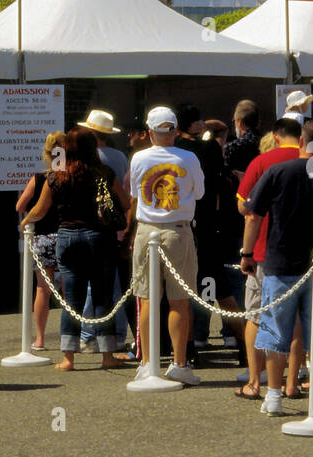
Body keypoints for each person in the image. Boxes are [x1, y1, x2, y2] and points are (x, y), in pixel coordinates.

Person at [241, 118, 313, 417]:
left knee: (276, 332)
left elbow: (253, 215)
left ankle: (274, 396)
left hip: (280, 263)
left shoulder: (278, 171)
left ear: (301, 142)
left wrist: (247, 252)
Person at [20, 127, 126, 371]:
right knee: (102, 298)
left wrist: (26, 222)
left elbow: (40, 209)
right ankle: (107, 356)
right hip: (100, 238)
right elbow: (125, 202)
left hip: (67, 237)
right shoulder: (104, 173)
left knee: (72, 300)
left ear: (67, 149)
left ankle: (68, 358)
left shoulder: (57, 175)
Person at [126, 107, 204, 386]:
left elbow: (135, 193)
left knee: (147, 300)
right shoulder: (189, 157)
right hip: (178, 229)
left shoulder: (138, 158)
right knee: (179, 301)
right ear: (174, 130)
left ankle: (148, 362)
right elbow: (200, 192)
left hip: (147, 230)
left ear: (149, 133)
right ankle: (179, 362)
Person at [235, 118, 305, 398]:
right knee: (297, 318)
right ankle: (291, 382)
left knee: (256, 315)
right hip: (304, 251)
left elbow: (244, 206)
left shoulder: (262, 162)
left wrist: (246, 251)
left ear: (276, 136)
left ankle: (256, 381)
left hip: (264, 250)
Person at [176, 102, 241, 357]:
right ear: (197, 124)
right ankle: (244, 346)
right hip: (209, 225)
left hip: (182, 223)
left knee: (183, 294)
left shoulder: (175, 149)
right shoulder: (209, 148)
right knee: (222, 290)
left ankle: (188, 349)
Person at [75, 109, 130, 352]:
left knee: (91, 283)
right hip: (116, 224)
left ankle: (89, 335)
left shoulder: (89, 157)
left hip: (91, 223)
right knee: (115, 285)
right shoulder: (120, 156)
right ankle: (117, 335)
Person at [14, 132, 65, 351]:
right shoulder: (72, 176)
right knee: (71, 288)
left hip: (43, 237)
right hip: (67, 234)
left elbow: (20, 205)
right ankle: (74, 338)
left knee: (43, 289)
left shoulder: (40, 178)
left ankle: (40, 339)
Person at [225, 100, 263, 180]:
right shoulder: (266, 143)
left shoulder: (234, 146)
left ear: (239, 122)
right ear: (258, 122)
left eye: (234, 121)